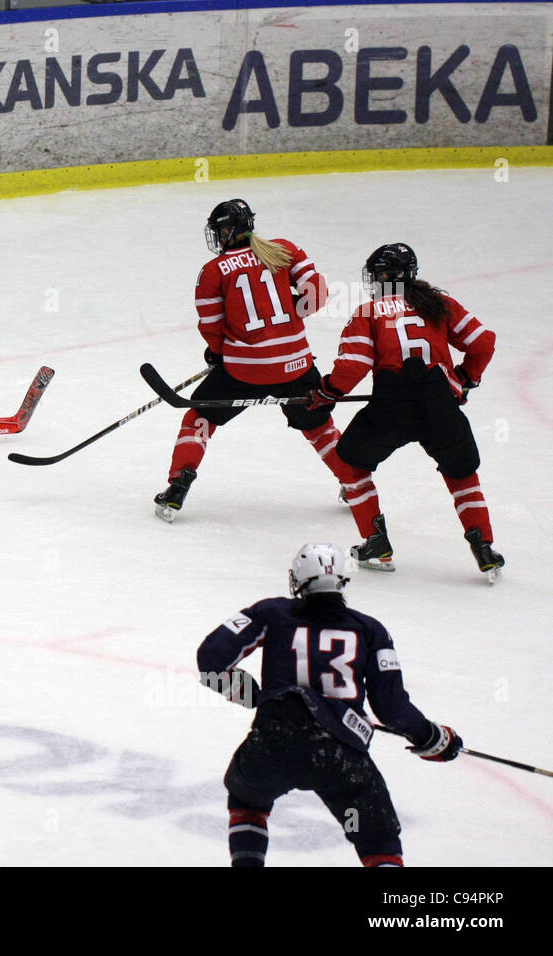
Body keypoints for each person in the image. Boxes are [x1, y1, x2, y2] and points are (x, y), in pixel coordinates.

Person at [196, 543, 463, 867]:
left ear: (297, 580)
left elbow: (210, 659)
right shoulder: (370, 630)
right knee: (377, 839)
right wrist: (432, 738)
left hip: (273, 742)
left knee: (248, 799)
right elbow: (391, 708)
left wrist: (247, 693)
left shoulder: (271, 613)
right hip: (340, 755)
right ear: (341, 581)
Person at [153, 199, 366, 528]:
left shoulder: (212, 271)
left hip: (244, 370)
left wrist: (218, 352)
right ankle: (354, 487)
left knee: (200, 416)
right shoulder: (283, 249)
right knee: (318, 425)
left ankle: (178, 485)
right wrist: (288, 315)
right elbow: (318, 294)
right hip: (295, 365)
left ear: (225, 232)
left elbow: (210, 325)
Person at [308, 243, 503, 580]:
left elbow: (352, 368)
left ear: (383, 276)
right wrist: (466, 377)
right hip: (438, 405)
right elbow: (483, 342)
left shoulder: (370, 312)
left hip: (391, 407)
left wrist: (327, 392)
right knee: (461, 473)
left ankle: (377, 544)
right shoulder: (439, 303)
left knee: (352, 466)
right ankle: (484, 547)